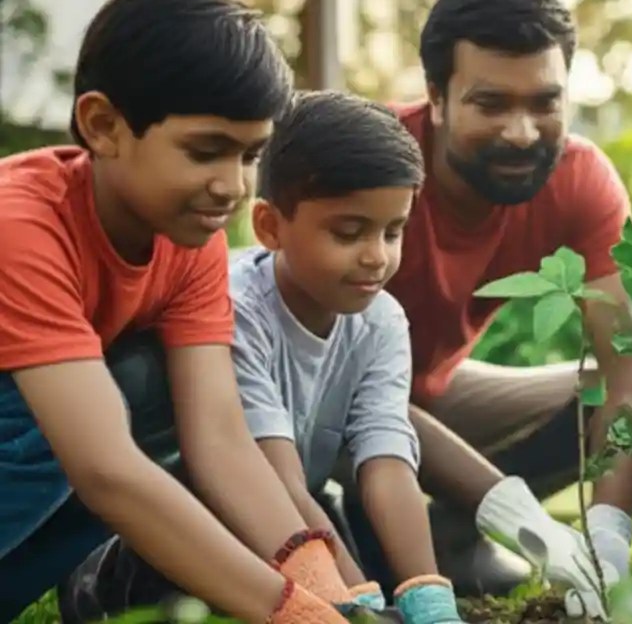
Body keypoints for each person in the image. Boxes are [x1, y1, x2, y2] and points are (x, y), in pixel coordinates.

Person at [0, 0, 359, 623]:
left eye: (251, 155)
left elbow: (219, 435)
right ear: (103, 126)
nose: (233, 185)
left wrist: (323, 588)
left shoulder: (189, 240)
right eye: (205, 152)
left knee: (159, 392)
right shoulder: (22, 227)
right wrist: (293, 616)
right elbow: (103, 467)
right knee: (86, 411)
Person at [58, 91, 467, 623]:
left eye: (394, 232)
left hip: (300, 523)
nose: (377, 256)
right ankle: (100, 591)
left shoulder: (381, 321)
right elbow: (275, 478)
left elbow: (386, 462)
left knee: (343, 542)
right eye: (349, 233)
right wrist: (351, 603)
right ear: (270, 226)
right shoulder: (231, 305)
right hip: (195, 524)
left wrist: (427, 593)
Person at [343, 0, 632, 615]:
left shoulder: (578, 180)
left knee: (625, 392)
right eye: (491, 104)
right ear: (436, 97)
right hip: (330, 408)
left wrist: (605, 542)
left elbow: (625, 372)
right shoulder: (371, 164)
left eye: (544, 103)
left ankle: (452, 539)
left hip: (433, 392)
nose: (522, 132)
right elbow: (334, 382)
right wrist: (523, 518)